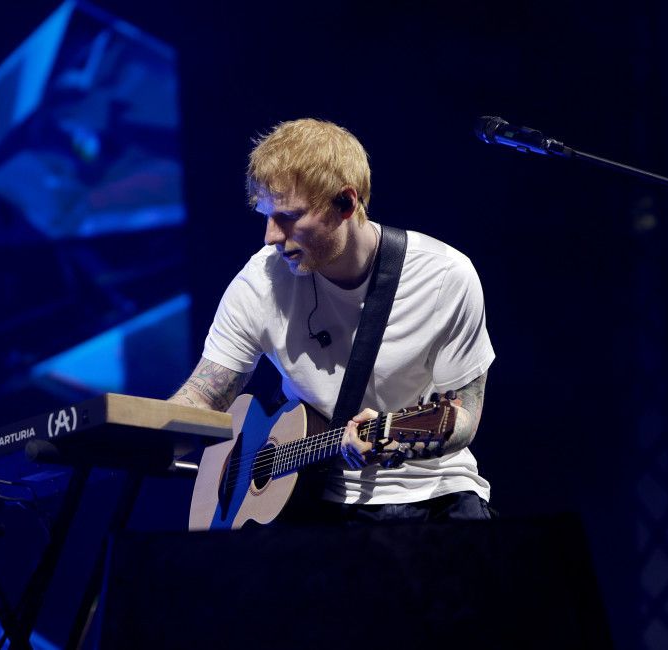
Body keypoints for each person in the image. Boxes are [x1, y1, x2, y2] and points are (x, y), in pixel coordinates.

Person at [169, 118, 495, 523]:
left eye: (288, 216)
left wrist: (402, 439)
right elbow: (205, 395)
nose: (270, 236)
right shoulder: (260, 282)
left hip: (436, 494)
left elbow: (464, 414)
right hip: (314, 500)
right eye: (267, 215)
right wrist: (131, 434)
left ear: (345, 203)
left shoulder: (445, 277)